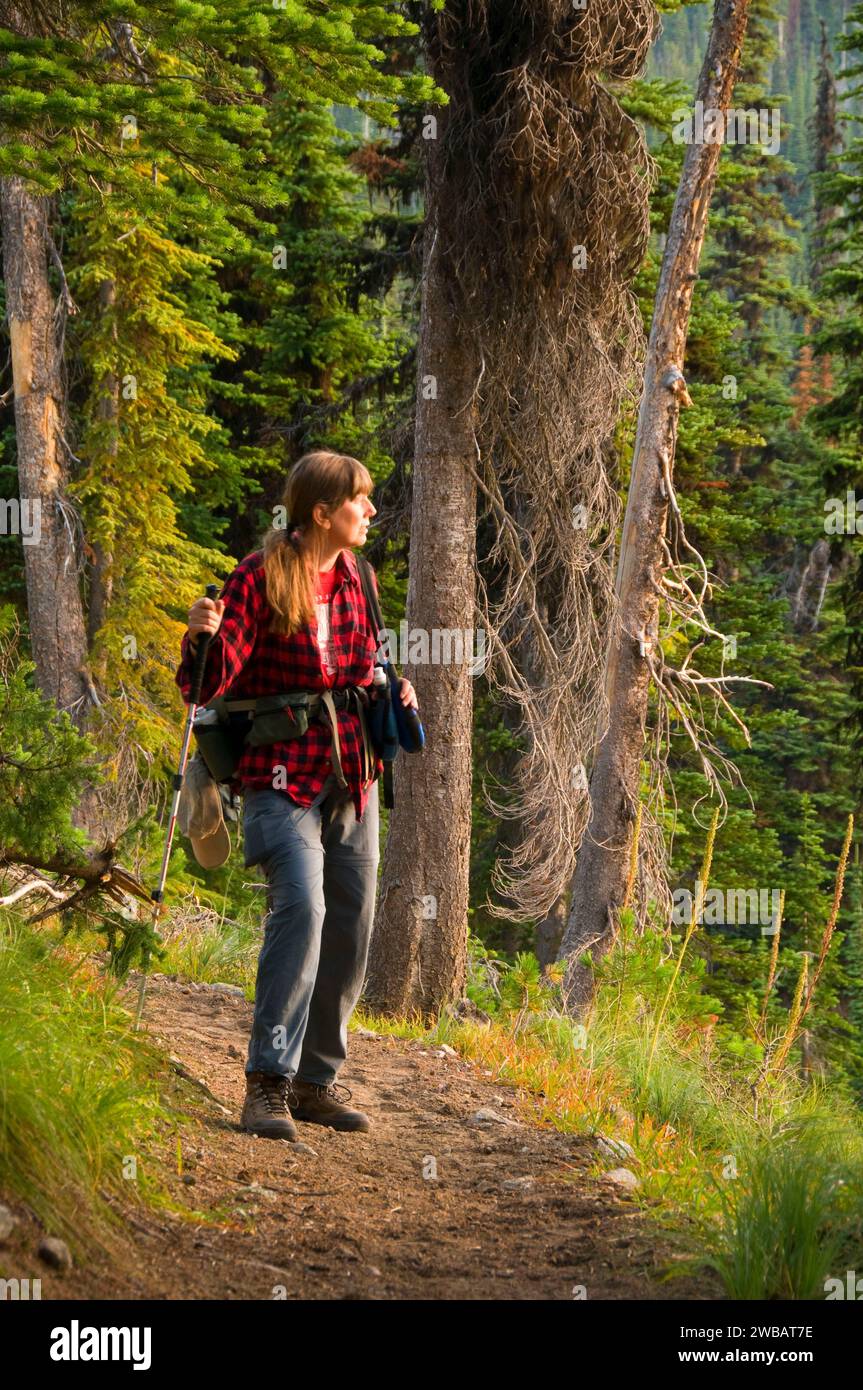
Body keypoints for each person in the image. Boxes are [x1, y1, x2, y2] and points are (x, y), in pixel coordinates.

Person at [175, 450, 417, 1141]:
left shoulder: (358, 577)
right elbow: (208, 685)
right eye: (358, 500)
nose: (369, 510)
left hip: (354, 778)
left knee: (351, 921)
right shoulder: (260, 576)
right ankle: (267, 1086)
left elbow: (367, 660)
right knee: (303, 908)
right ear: (321, 513)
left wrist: (392, 686)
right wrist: (200, 637)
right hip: (279, 775)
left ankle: (316, 1084)